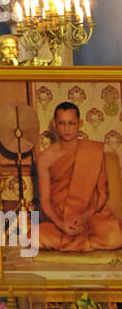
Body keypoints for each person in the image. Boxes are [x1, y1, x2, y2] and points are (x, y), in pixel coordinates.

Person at [35, 101, 122, 252]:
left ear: (80, 123)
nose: (67, 128)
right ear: (54, 124)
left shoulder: (93, 151)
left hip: (91, 217)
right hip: (62, 220)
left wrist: (85, 216)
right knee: (35, 236)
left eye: (71, 123)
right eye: (62, 123)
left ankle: (75, 243)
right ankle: (86, 243)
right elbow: (45, 202)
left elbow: (102, 194)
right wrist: (60, 224)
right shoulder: (45, 158)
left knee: (116, 236)